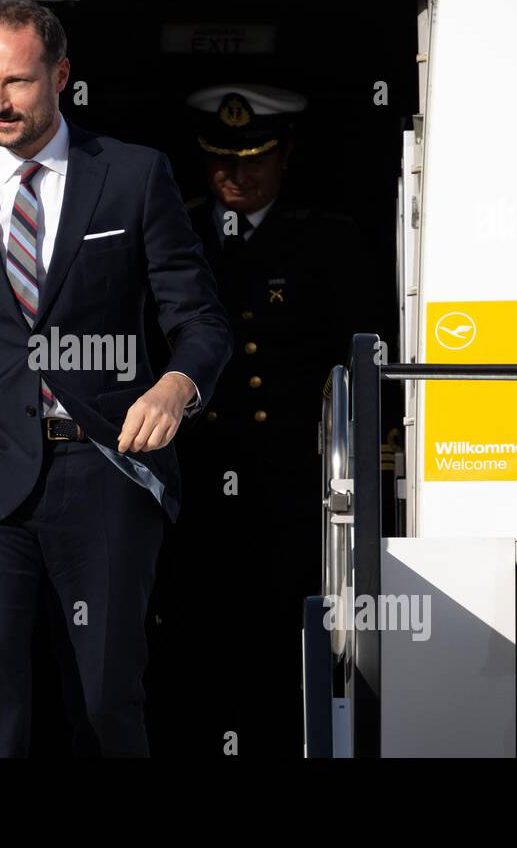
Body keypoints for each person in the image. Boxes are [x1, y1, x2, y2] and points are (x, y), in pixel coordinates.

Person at [0, 0, 232, 758]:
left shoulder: (133, 177)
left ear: (61, 75)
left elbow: (200, 321)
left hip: (102, 471)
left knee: (102, 699)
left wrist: (174, 388)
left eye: (18, 82)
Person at [147, 84, 384, 756]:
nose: (237, 175)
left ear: (286, 155)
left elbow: (363, 362)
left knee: (283, 634)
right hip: (193, 480)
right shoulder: (179, 233)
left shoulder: (328, 240)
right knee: (192, 633)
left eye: (253, 158)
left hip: (290, 484)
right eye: (221, 159)